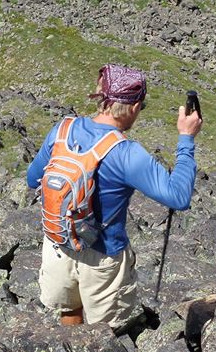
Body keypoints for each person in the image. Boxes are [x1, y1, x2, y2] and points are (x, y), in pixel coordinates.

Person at [26, 63, 201, 329]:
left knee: (69, 310)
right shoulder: (126, 153)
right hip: (103, 257)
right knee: (106, 333)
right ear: (132, 108)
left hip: (59, 242)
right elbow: (178, 197)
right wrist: (186, 138)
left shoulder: (62, 130)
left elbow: (32, 178)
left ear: (102, 98)